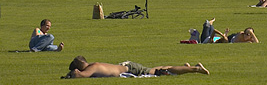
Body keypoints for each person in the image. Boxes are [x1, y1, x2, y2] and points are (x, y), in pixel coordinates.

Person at [66, 56, 209, 77]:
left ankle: (195, 69)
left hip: (130, 69)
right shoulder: (94, 64)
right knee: (154, 69)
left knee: (159, 72)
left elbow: (80, 75)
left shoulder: (93, 67)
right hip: (128, 66)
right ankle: (186, 67)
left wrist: (72, 74)